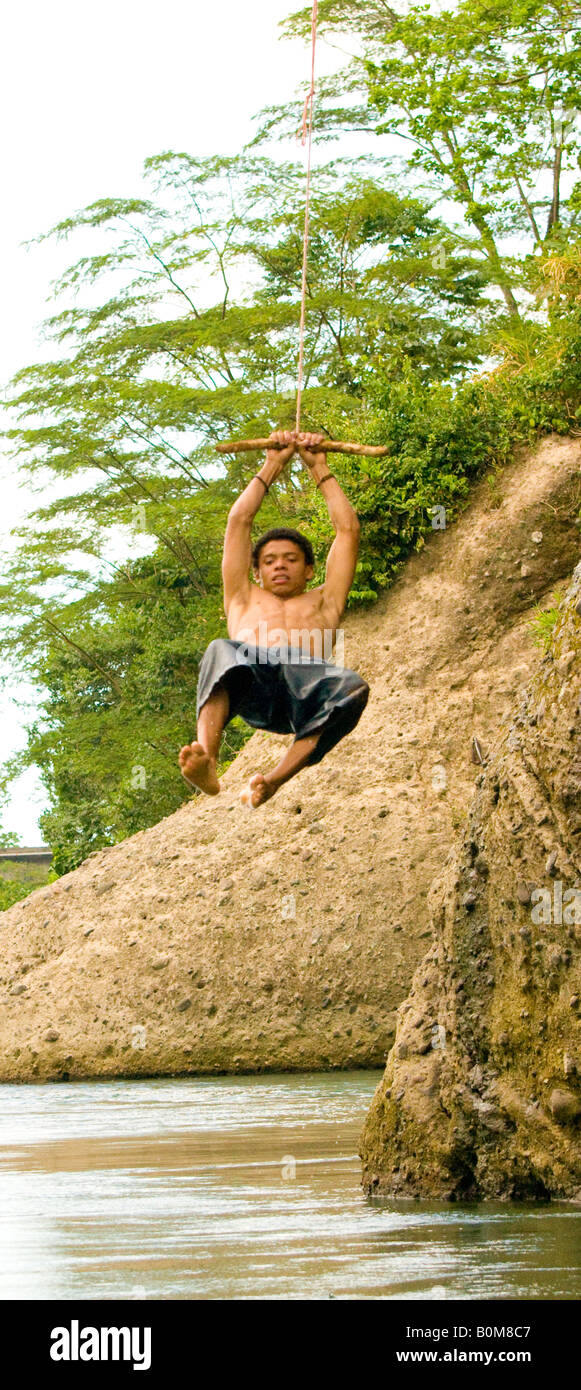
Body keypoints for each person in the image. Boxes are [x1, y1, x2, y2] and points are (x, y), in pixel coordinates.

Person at [178, 430, 370, 807]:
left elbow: (348, 530)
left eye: (291, 559)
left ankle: (275, 780)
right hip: (256, 686)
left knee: (353, 686)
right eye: (269, 561)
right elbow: (239, 522)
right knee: (222, 649)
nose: (279, 564)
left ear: (310, 569)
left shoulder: (325, 601)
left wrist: (320, 469)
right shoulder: (243, 597)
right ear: (257, 572)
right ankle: (208, 761)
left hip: (305, 691)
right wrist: (272, 464)